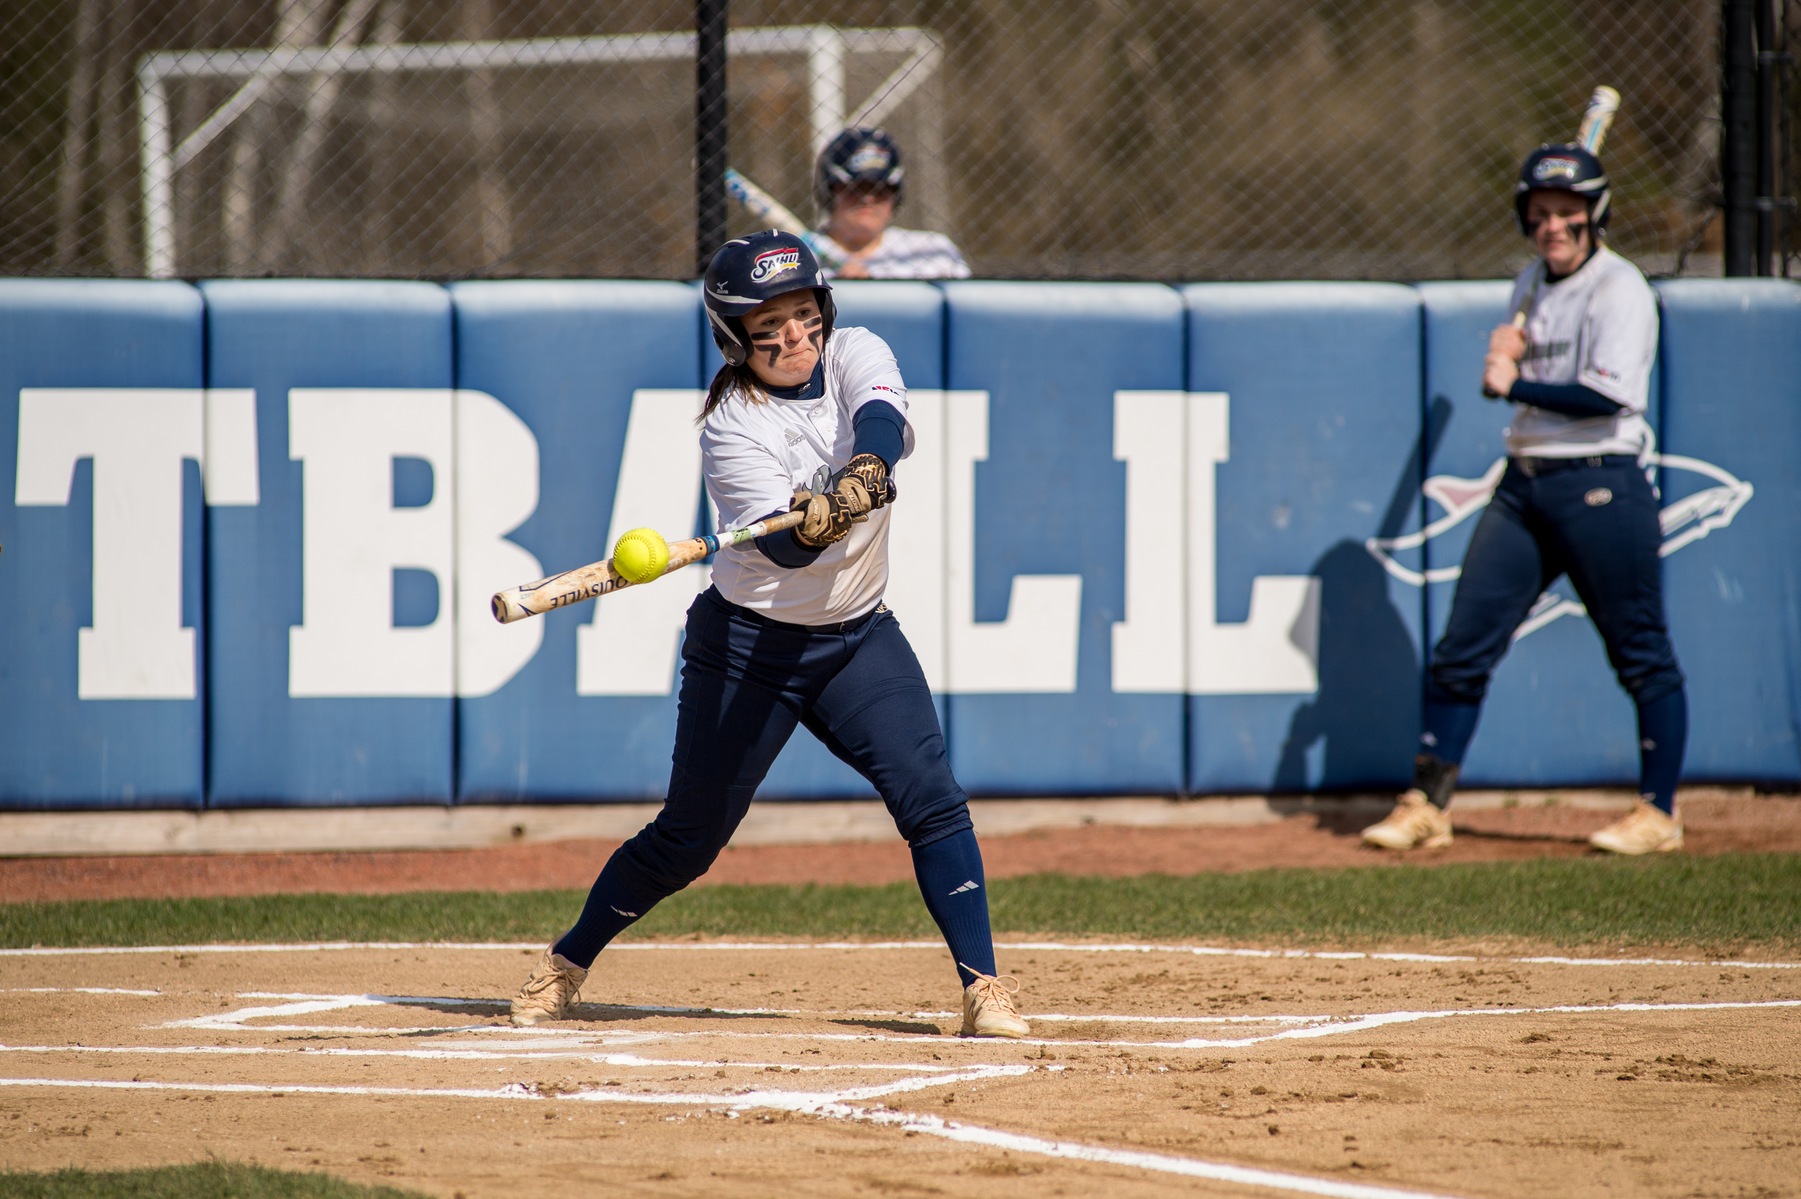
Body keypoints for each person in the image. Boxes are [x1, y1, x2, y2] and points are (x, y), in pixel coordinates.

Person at [508, 229, 1028, 1038]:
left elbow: (882, 423)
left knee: (932, 800)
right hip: (749, 648)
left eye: (802, 315)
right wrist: (811, 528)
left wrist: (858, 475)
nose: (793, 337)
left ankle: (983, 986)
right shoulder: (731, 427)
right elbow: (781, 550)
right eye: (768, 327)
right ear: (733, 339)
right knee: (688, 839)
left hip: (856, 637)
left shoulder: (856, 351)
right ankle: (566, 962)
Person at [1360, 142, 1687, 857]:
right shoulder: (1527, 287)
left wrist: (1513, 382)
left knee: (1639, 651)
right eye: (1540, 215)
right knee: (1460, 648)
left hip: (1600, 480)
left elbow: (1608, 395)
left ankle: (1657, 812)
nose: (1553, 228)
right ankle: (1427, 803)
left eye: (1568, 214)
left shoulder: (1618, 288)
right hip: (1523, 485)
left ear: (1594, 215)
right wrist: (1513, 360)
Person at [813, 127, 971, 280]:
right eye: (855, 188)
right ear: (829, 192)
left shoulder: (933, 252)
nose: (868, 199)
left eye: (881, 189)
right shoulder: (798, 257)